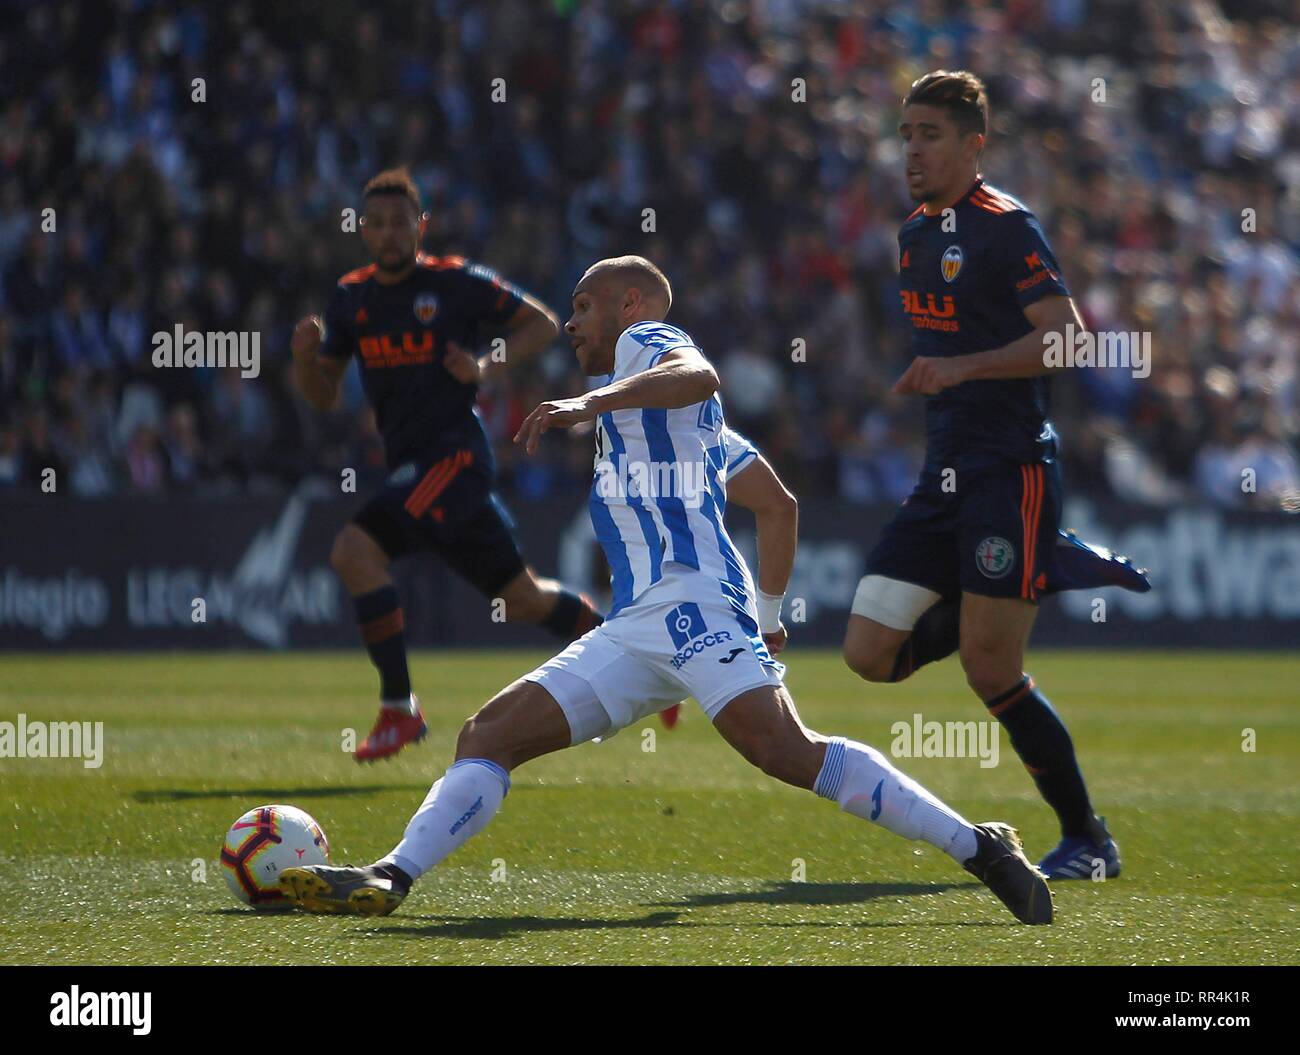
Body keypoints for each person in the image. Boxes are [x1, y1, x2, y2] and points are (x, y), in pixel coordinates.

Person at [279, 255, 1053, 925]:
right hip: (634, 629)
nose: (574, 321)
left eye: (584, 305)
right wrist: (774, 614)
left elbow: (697, 371)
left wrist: (592, 401)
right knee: (487, 733)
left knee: (785, 750)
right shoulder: (691, 429)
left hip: (695, 603)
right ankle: (392, 873)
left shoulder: (649, 347)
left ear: (630, 306)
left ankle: (979, 846)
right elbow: (777, 504)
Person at [843, 71, 1124, 880]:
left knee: (988, 667)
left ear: (974, 144)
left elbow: (1069, 340)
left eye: (929, 134)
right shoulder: (912, 237)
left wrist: (962, 368)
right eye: (905, 135)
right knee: (867, 652)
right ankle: (1017, 573)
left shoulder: (1008, 227)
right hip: (945, 479)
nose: (912, 151)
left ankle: (1088, 838)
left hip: (1011, 472)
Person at [291, 166, 601, 762]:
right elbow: (323, 392)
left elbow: (538, 324)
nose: (387, 234)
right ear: (361, 230)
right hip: (418, 470)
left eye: (399, 223)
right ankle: (634, 653)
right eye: (376, 224)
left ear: (420, 226)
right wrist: (306, 359)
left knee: (354, 553)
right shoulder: (352, 298)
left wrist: (486, 365)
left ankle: (398, 710)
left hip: (454, 459)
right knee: (524, 599)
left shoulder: (452, 283)